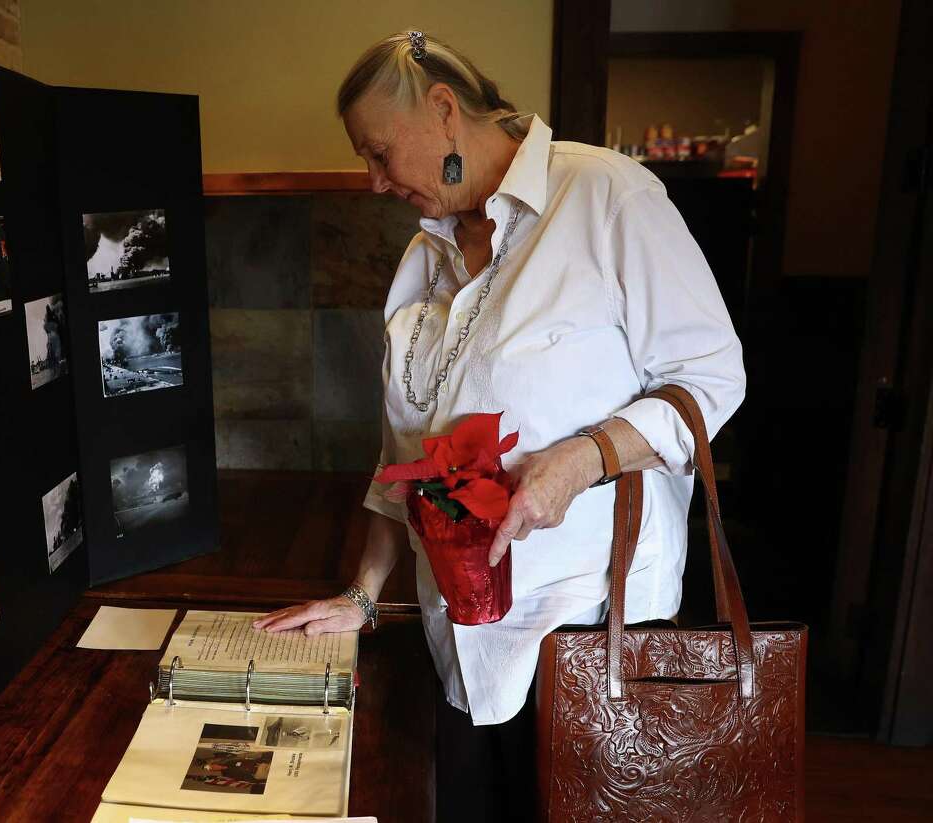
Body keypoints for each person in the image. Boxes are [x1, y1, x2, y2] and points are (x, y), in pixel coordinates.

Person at [253, 30, 745, 823]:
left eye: (379, 153)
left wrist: (583, 459)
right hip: (456, 643)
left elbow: (713, 379)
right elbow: (401, 459)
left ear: (444, 111)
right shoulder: (424, 257)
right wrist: (362, 594)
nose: (373, 181)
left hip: (587, 645)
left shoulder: (605, 197)